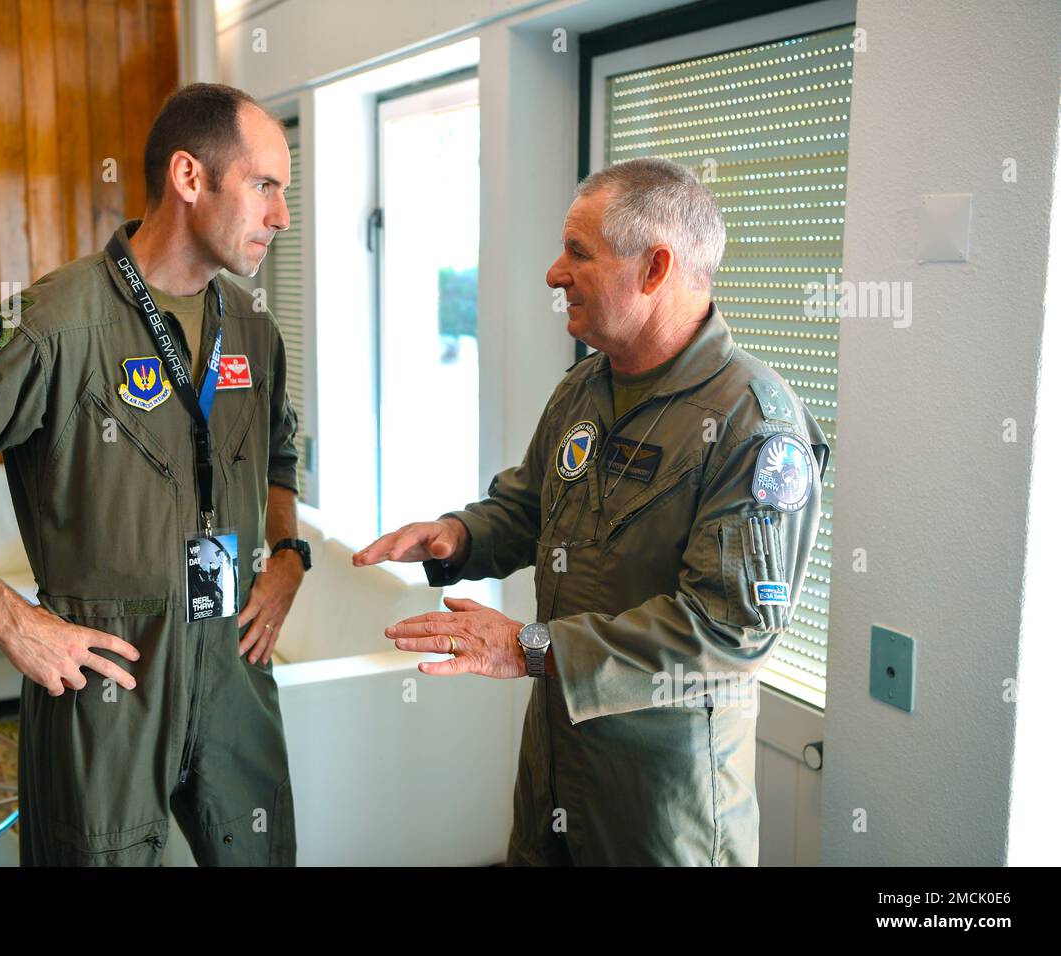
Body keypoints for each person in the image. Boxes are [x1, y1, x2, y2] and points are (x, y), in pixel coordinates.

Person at [0, 83, 313, 866]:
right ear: (190, 178)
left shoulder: (255, 329)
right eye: (266, 186)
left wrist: (288, 557)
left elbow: (281, 455)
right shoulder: (54, 324)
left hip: (233, 663)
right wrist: (14, 620)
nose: (281, 216)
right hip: (108, 682)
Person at [353, 157, 828, 866]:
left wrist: (530, 648)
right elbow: (528, 506)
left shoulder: (752, 424)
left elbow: (727, 631)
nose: (553, 273)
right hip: (554, 765)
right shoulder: (584, 386)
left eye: (578, 252)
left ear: (655, 268)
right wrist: (456, 536)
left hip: (661, 800)